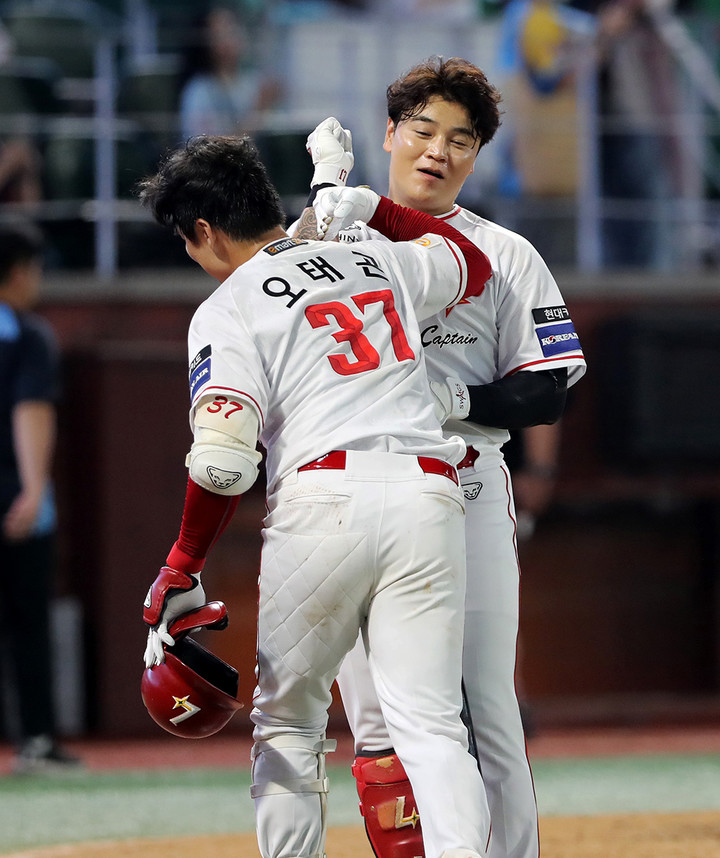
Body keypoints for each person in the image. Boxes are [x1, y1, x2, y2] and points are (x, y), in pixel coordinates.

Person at [138, 134, 496, 858]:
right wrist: (378, 210)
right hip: (428, 495)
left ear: (203, 229)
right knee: (428, 726)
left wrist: (182, 562)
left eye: (186, 242)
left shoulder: (225, 307)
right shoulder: (376, 255)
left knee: (290, 725)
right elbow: (474, 264)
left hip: (323, 500)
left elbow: (222, 465)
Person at [296, 57, 587, 858]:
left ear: (478, 154)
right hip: (352, 495)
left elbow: (549, 388)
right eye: (422, 130)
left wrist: (455, 402)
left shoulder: (505, 253)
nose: (438, 151)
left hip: (464, 484)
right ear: (390, 134)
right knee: (376, 720)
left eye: (461, 139)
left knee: (486, 701)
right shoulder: (331, 240)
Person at [0, 223, 80, 774]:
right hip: (14, 502)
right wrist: (32, 489)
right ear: (20, 272)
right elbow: (30, 408)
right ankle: (36, 740)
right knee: (28, 622)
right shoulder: (26, 336)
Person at [178, 5, 281, 140]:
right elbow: (208, 151)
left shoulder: (252, 81)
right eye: (222, 33)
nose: (233, 36)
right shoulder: (199, 91)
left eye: (233, 28)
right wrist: (259, 110)